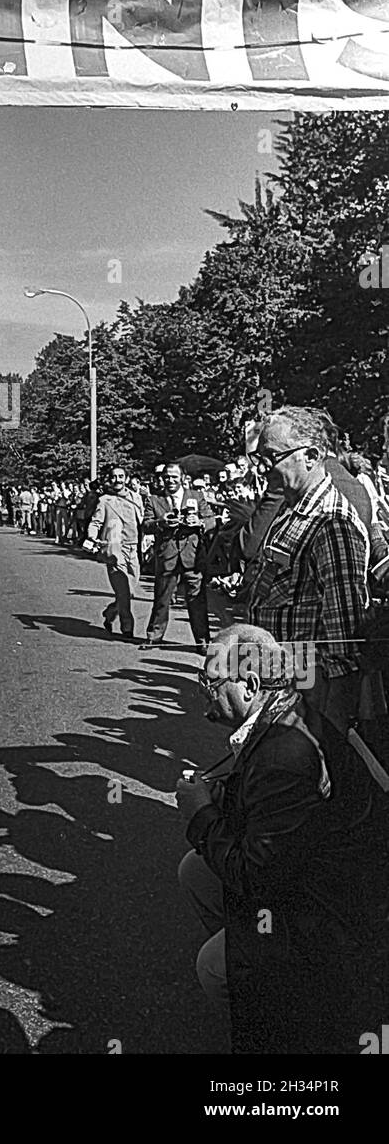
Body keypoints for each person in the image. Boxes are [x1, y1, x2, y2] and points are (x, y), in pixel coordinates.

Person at [177, 624, 384, 1053]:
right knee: (195, 870)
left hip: (337, 904)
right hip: (316, 871)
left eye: (210, 682)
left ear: (250, 684)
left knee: (212, 967)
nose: (204, 697)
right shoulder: (283, 712)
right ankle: (257, 971)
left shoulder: (285, 753)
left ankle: (275, 1003)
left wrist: (200, 813)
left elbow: (257, 875)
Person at [245, 407, 369, 734]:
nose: (262, 468)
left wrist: (328, 735)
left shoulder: (331, 524)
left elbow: (345, 647)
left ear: (310, 456)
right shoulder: (292, 507)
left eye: (271, 456)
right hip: (280, 684)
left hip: (305, 699)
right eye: (258, 457)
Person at [141, 463, 214, 652]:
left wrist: (199, 522)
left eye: (174, 477)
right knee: (162, 598)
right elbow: (146, 525)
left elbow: (211, 520)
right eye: (167, 477)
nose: (170, 480)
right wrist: (161, 523)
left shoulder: (196, 496)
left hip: (192, 555)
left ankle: (202, 641)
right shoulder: (154, 499)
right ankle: (154, 636)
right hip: (167, 555)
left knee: (197, 600)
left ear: (183, 478)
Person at [84, 464, 143, 640]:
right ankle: (127, 627)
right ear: (110, 480)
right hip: (115, 549)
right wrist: (92, 537)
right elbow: (95, 522)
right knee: (123, 591)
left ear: (126, 479)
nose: (117, 480)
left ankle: (110, 613)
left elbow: (143, 521)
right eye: (114, 476)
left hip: (134, 549)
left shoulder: (136, 498)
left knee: (130, 590)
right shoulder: (105, 500)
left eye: (121, 476)